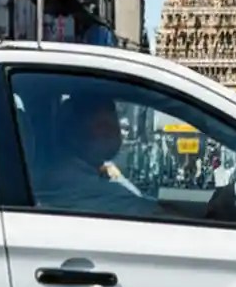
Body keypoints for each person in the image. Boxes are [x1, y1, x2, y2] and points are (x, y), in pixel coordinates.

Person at [32, 93, 169, 218]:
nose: (115, 133)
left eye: (113, 123)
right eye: (103, 125)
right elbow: (146, 211)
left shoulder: (98, 170)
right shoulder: (73, 182)